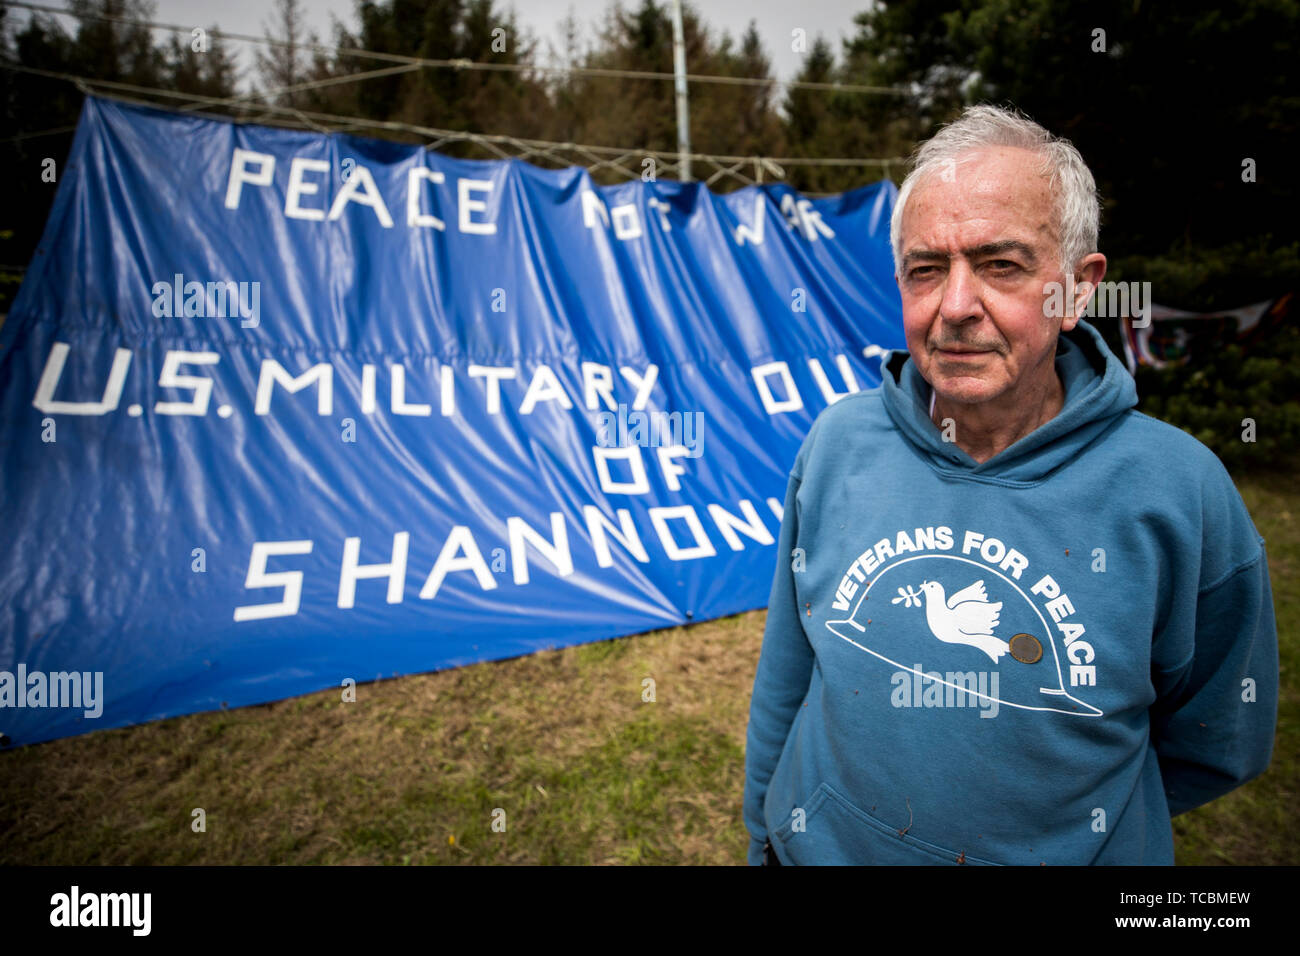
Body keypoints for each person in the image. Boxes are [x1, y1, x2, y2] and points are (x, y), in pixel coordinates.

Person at [743, 105, 1278, 866]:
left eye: (1002, 265)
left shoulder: (1178, 491)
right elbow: (788, 673)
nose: (956, 307)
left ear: (1078, 288)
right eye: (927, 269)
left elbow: (1217, 739)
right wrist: (768, 834)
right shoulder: (837, 445)